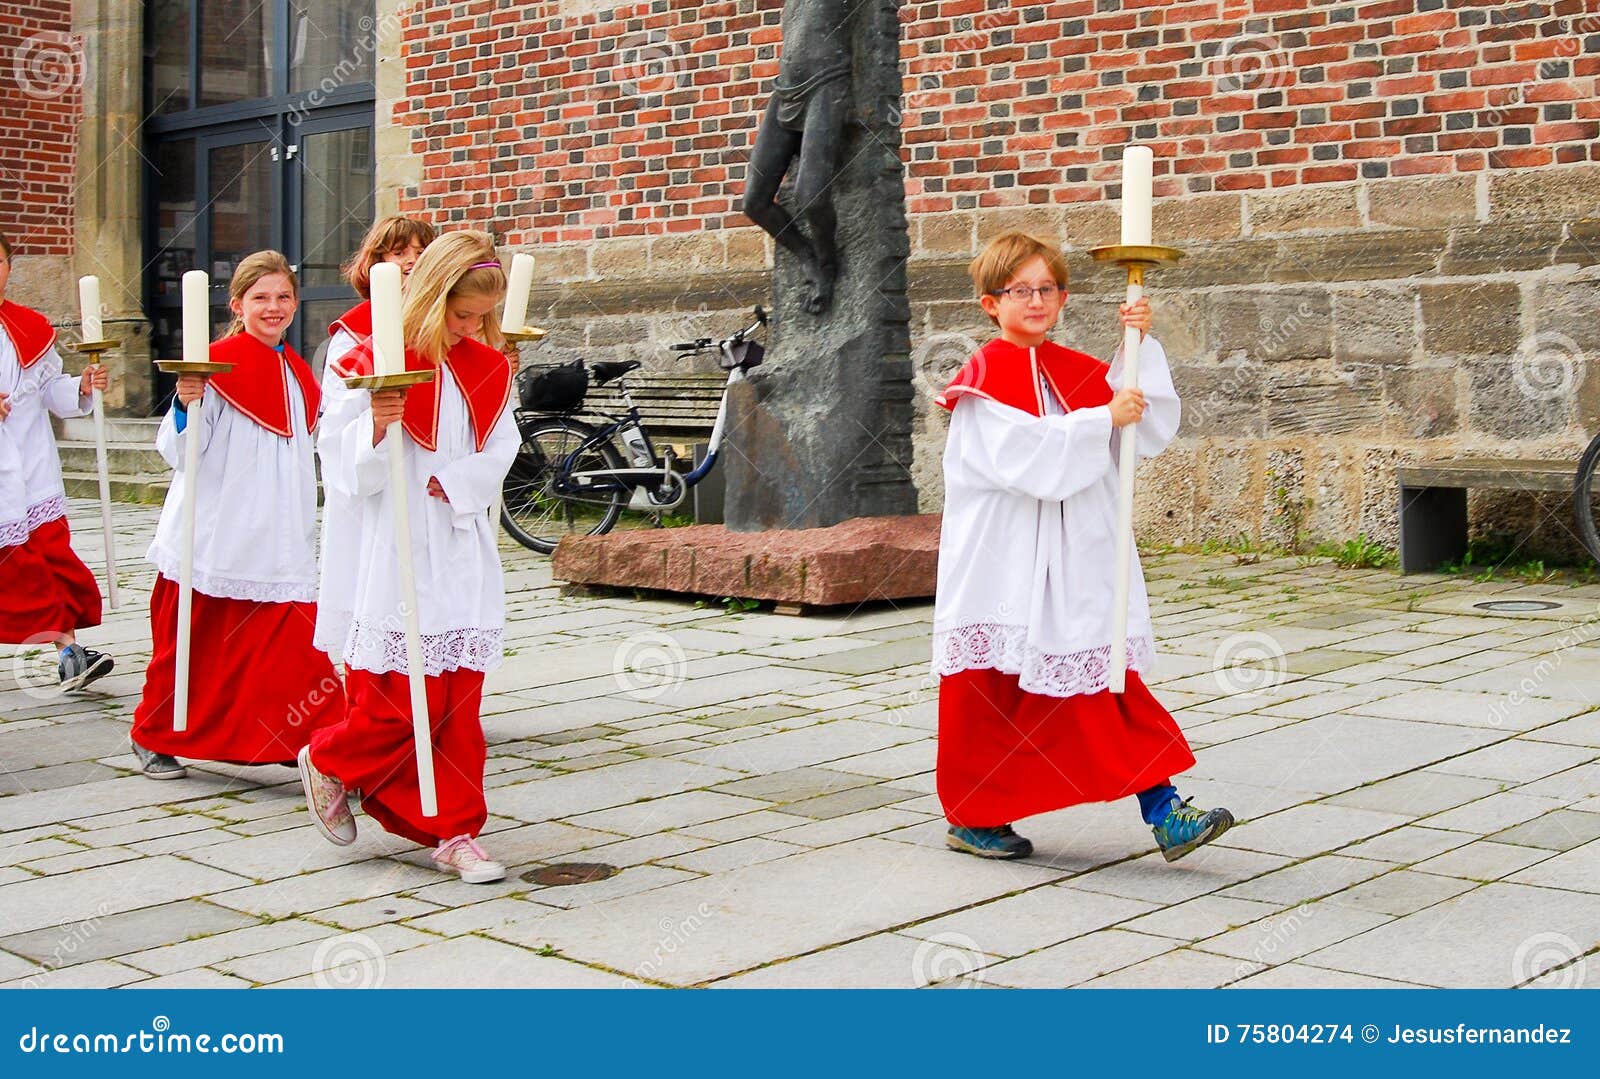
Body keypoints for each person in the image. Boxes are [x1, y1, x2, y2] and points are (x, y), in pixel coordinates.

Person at [932, 230, 1233, 862]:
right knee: (992, 694)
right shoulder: (981, 380)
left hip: (1073, 564)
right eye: (1021, 291)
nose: (1036, 301)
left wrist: (1137, 346)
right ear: (992, 303)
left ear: (1063, 297)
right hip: (1006, 567)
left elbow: (1134, 428)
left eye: (1047, 289)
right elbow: (1024, 456)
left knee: (1102, 682)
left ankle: (1166, 811)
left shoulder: (1075, 372)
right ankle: (975, 817)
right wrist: (1102, 419)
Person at [301, 230, 517, 883]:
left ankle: (456, 831)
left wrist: (460, 483)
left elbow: (503, 445)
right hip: (394, 546)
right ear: (431, 297)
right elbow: (340, 465)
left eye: (482, 316)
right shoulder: (368, 361)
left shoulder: (487, 366)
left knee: (458, 702)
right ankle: (331, 757)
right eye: (461, 314)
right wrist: (375, 420)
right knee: (395, 700)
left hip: (456, 541)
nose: (471, 327)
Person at [129, 251, 344, 779]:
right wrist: (184, 405)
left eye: (284, 297)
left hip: (279, 537)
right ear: (237, 304)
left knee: (295, 656)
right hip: (214, 531)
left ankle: (327, 749)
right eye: (261, 297)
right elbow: (180, 455)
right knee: (191, 648)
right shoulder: (214, 363)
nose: (274, 308)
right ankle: (154, 734)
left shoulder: (296, 371)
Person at [316, 215, 437, 663]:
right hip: (372, 482)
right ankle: (371, 686)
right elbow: (334, 426)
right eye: (398, 252)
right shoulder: (352, 335)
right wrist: (375, 422)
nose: (411, 261)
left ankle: (431, 687)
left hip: (429, 483)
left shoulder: (447, 324)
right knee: (371, 586)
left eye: (421, 251)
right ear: (375, 262)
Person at [0, 230, 113, 689]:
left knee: (46, 561)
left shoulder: (28, 327)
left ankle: (70, 654)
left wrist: (81, 387)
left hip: (29, 467)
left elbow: (49, 388)